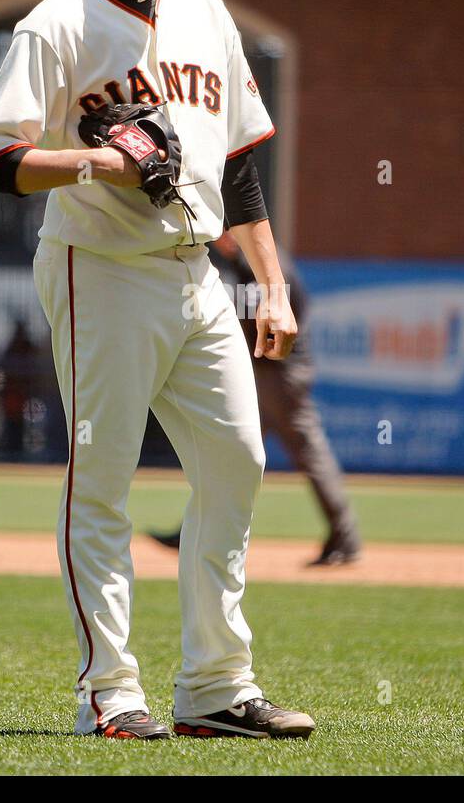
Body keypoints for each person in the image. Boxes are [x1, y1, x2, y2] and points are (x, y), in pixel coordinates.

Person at [0, 0, 314, 739]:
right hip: (100, 268)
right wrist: (97, 162)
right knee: (103, 484)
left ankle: (214, 688)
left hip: (200, 274)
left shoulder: (206, 10)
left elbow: (238, 168)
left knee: (238, 462)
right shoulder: (58, 23)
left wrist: (270, 284)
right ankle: (108, 694)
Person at [151, 230, 363, 566]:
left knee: (305, 450)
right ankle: (191, 530)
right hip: (268, 370)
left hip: (281, 371)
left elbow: (278, 313)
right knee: (231, 449)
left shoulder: (266, 260)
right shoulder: (246, 260)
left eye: (226, 231)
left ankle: (346, 538)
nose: (221, 239)